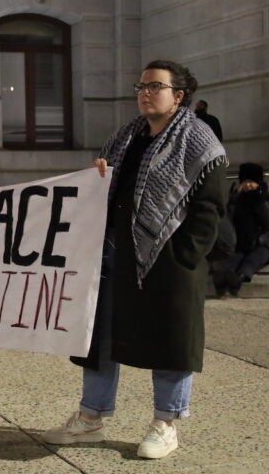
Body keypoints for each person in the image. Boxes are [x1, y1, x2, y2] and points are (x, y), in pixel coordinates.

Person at [41, 60, 227, 459]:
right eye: (141, 86)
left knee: (172, 340)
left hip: (170, 259)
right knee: (99, 336)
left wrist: (184, 256)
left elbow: (209, 209)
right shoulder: (125, 136)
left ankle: (166, 424)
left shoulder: (200, 141)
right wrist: (98, 176)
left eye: (155, 86)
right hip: (112, 252)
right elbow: (107, 189)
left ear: (178, 96)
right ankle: (90, 418)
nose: (145, 93)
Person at [212, 162, 269, 297]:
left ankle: (238, 279)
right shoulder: (237, 198)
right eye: (245, 181)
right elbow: (228, 220)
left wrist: (259, 202)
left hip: (263, 244)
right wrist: (233, 201)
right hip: (241, 242)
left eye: (252, 181)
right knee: (232, 259)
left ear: (258, 182)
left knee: (252, 260)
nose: (248, 185)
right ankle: (223, 280)